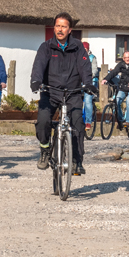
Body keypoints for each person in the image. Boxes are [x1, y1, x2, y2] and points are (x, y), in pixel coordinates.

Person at [30, 13, 93, 175]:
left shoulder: (78, 47)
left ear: (69, 30)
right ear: (54, 27)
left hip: (72, 92)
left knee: (78, 123)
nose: (60, 29)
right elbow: (39, 66)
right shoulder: (46, 47)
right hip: (50, 91)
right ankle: (44, 150)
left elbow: (85, 67)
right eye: (58, 26)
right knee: (43, 121)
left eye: (64, 26)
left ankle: (77, 160)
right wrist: (36, 81)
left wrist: (88, 84)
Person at [105, 50, 129, 130]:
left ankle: (128, 121)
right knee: (117, 100)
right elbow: (114, 72)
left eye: (128, 57)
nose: (127, 59)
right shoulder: (121, 64)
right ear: (123, 58)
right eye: (125, 58)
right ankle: (121, 120)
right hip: (123, 87)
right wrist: (105, 79)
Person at [81, 42, 99, 132]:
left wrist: (90, 75)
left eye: (85, 49)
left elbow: (95, 69)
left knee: (88, 100)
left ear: (88, 49)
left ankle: (88, 122)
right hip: (80, 82)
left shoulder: (92, 58)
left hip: (90, 82)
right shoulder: (78, 56)